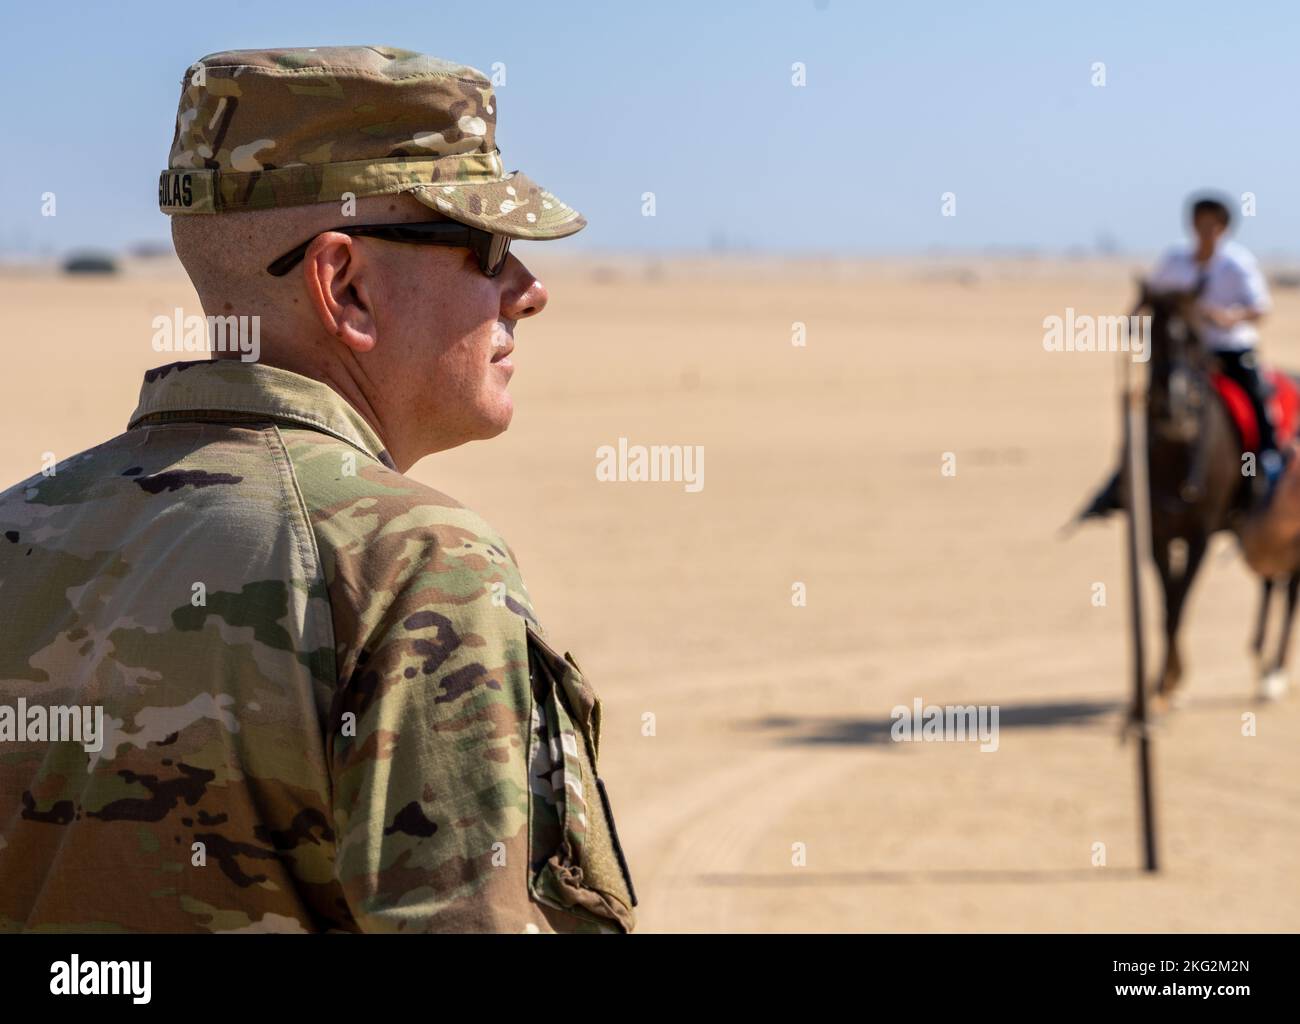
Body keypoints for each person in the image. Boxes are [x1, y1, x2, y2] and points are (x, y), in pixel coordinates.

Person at [0, 46, 636, 933]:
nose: (527, 292)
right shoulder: (413, 564)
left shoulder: (17, 530)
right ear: (344, 286)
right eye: (486, 246)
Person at [1149, 193, 1280, 486]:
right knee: (1155, 399)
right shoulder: (1174, 261)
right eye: (1200, 224)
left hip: (1230, 350)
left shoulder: (1237, 263)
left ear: (1224, 228)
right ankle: (1125, 477)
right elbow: (1152, 295)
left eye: (1213, 225)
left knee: (1256, 397)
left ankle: (1265, 462)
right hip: (1186, 355)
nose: (1206, 231)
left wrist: (1228, 317)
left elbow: (1261, 308)